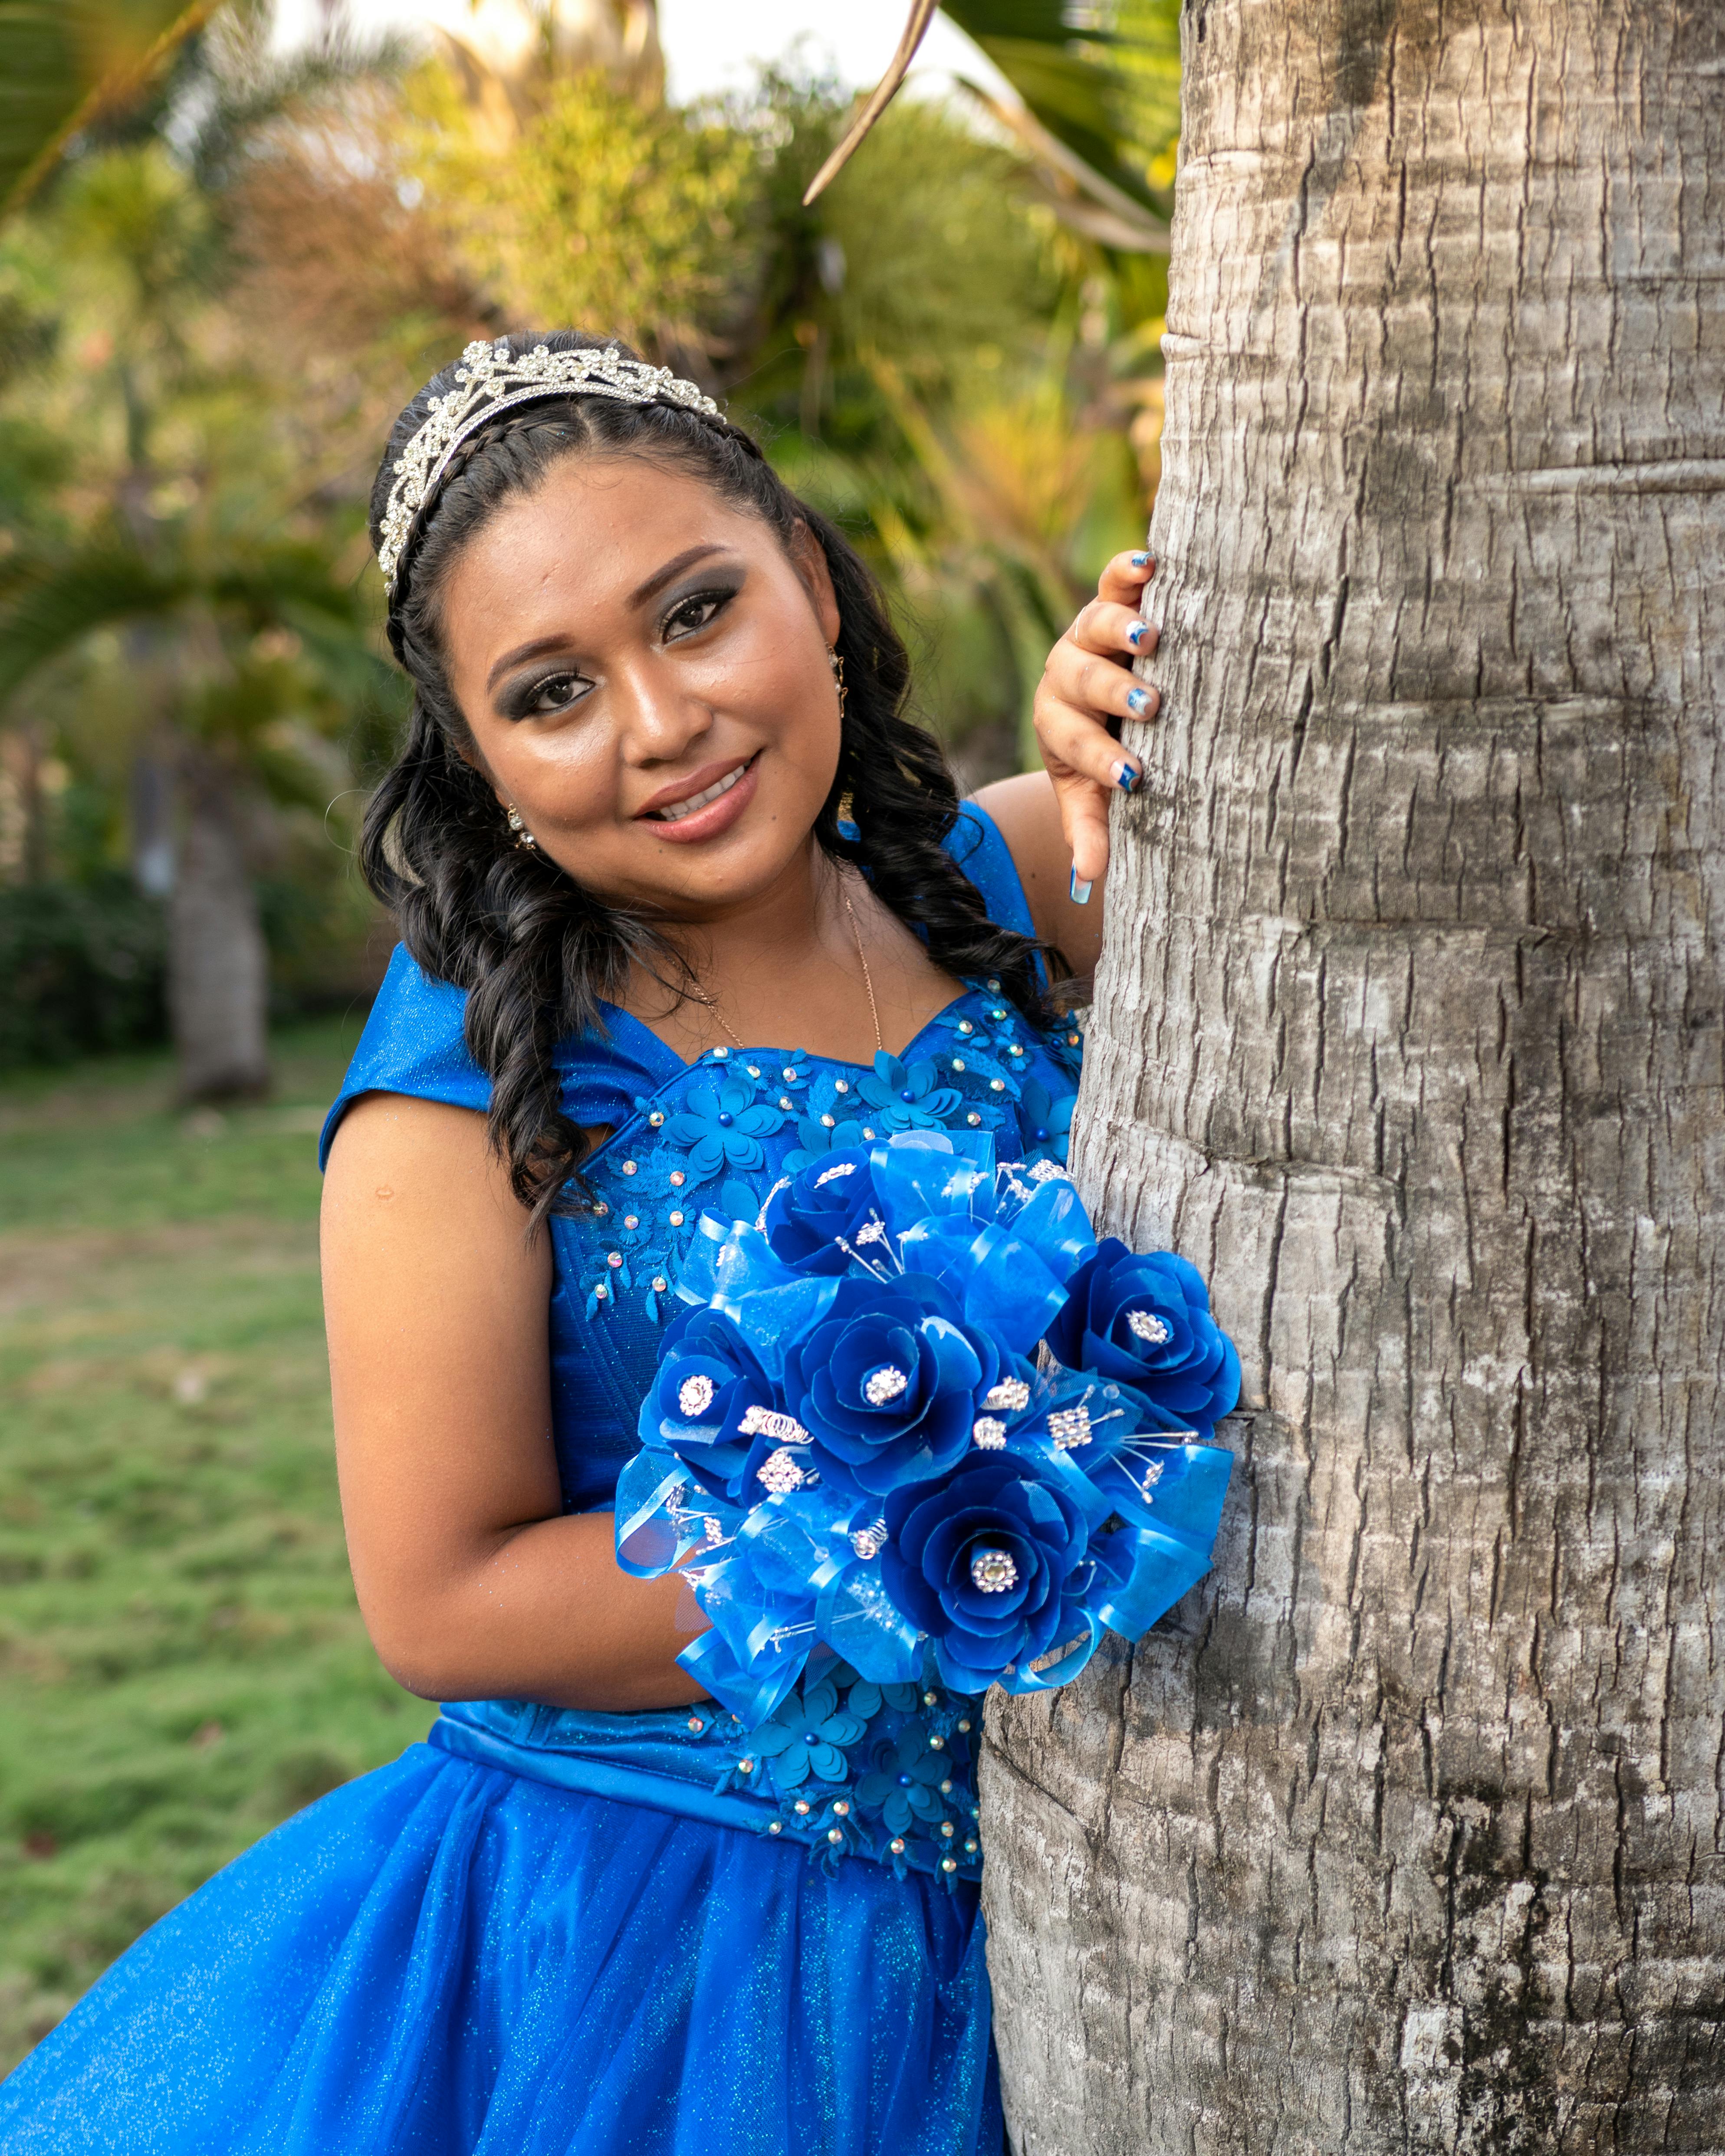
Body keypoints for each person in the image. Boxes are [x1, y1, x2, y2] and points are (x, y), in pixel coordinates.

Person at [0, 331, 1164, 2156]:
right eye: (551, 692)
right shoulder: (464, 1080)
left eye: (699, 610)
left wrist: (1119, 684)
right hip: (686, 1952)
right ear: (476, 755)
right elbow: (439, 1595)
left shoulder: (994, 884)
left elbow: (1245, 815)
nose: (659, 723)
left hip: (1113, 1891)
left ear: (810, 572)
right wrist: (925, 1500)